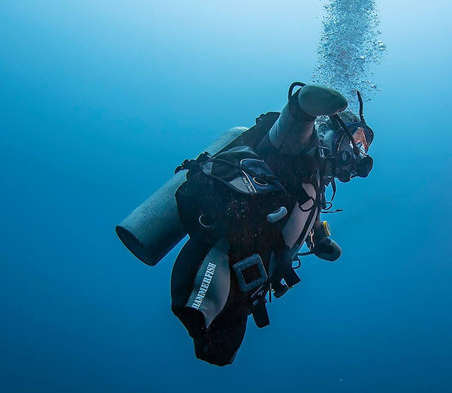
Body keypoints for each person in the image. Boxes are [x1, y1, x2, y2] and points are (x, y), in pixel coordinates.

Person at [116, 82, 375, 366]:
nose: (360, 152)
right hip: (215, 264)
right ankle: (203, 308)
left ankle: (211, 316)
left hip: (249, 289)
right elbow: (300, 110)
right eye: (357, 141)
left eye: (363, 145)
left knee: (220, 354)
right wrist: (312, 103)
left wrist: (322, 241)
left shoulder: (315, 188)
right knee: (202, 316)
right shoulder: (297, 149)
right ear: (331, 134)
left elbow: (308, 228)